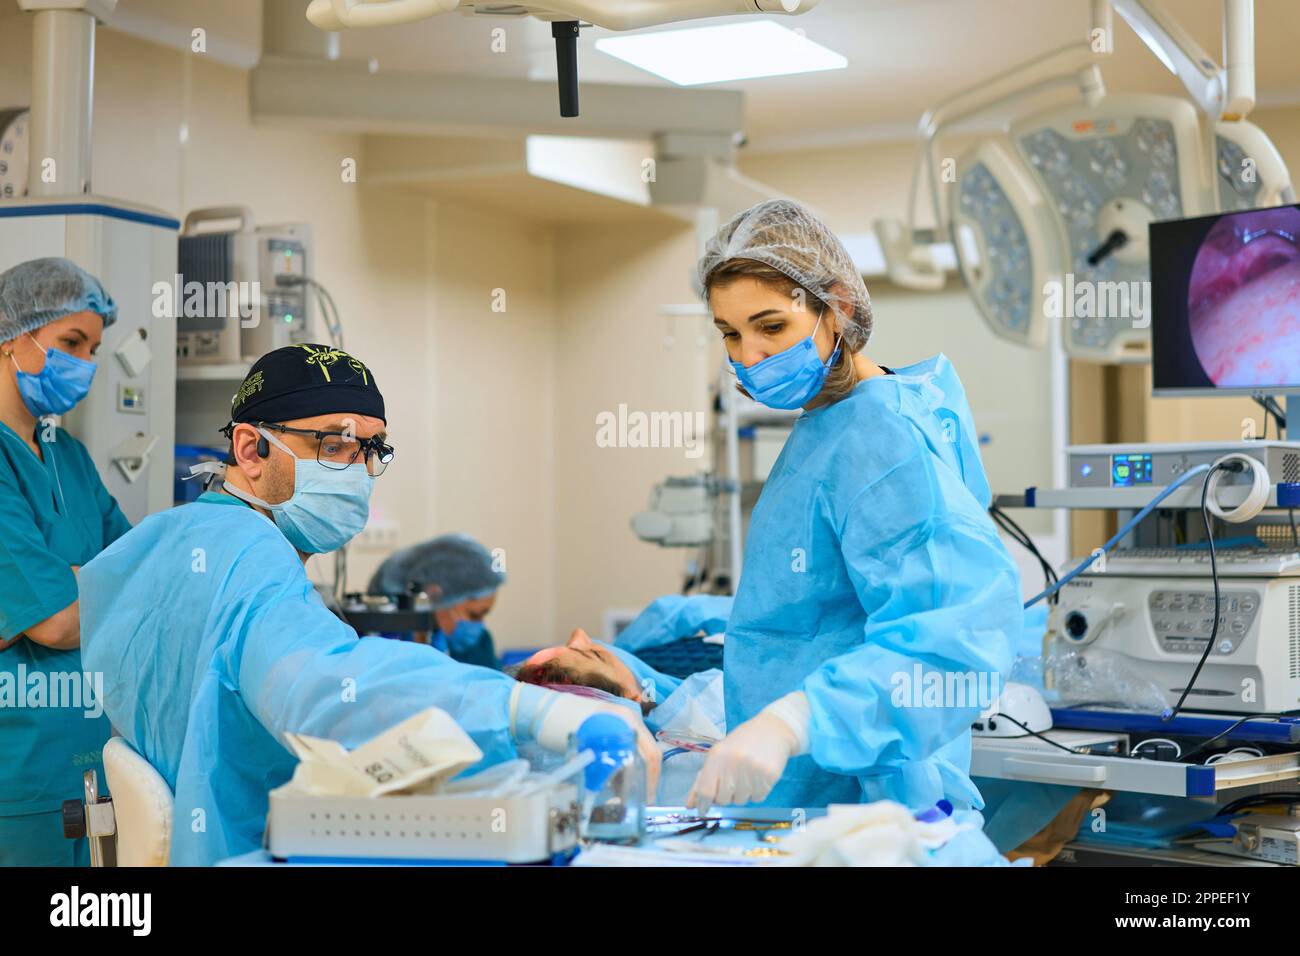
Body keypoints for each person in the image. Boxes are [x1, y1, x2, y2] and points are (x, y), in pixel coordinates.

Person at [78, 344, 658, 865]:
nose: (358, 470)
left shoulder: (174, 538)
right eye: (334, 445)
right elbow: (319, 687)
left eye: (371, 449)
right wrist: (531, 710)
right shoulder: (248, 556)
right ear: (250, 448)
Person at [687, 199, 1023, 812]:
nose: (748, 357)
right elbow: (809, 617)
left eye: (771, 327)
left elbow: (958, 636)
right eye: (730, 333)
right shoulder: (832, 424)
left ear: (837, 308)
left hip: (872, 807)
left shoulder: (880, 439)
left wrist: (795, 719)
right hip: (810, 796)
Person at [0, 257, 127, 866]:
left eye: (94, 348)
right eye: (69, 342)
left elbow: (143, 582)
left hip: (98, 767)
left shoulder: (68, 454)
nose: (84, 364)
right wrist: (73, 591)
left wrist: (74, 585)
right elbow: (55, 620)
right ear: (12, 337)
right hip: (18, 779)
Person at [369, 534, 505, 668]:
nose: (478, 626)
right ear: (434, 595)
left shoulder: (479, 645)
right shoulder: (386, 643)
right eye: (474, 615)